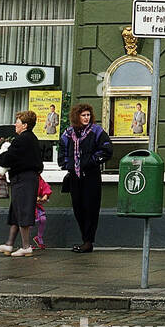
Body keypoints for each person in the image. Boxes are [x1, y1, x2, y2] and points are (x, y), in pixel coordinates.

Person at [58, 102, 112, 253]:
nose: (86, 118)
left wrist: (91, 161)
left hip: (91, 176)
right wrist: (68, 164)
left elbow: (107, 149)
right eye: (83, 115)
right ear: (77, 116)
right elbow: (62, 151)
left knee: (90, 209)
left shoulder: (96, 131)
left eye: (88, 115)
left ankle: (88, 241)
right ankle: (84, 239)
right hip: (75, 176)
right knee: (78, 208)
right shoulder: (68, 133)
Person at [0, 110, 42, 257]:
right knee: (16, 212)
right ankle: (9, 244)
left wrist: (1, 154)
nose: (15, 124)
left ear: (25, 125)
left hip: (23, 180)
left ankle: (26, 246)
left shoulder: (21, 140)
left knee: (22, 211)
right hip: (27, 179)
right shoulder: (32, 139)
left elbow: (6, 159)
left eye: (18, 122)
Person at [33, 174, 52, 250]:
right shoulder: (27, 179)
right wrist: (33, 197)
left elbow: (45, 186)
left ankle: (39, 237)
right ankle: (26, 243)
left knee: (43, 219)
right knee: (28, 224)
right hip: (28, 206)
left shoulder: (39, 179)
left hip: (37, 206)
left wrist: (46, 195)